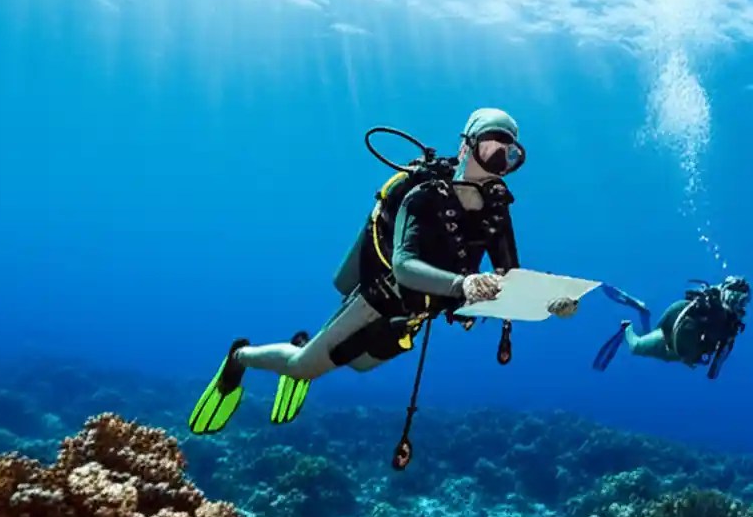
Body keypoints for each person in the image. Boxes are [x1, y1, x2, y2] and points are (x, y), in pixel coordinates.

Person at [189, 108, 578, 437]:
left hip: (414, 314)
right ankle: (239, 358)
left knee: (359, 365)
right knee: (302, 368)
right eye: (492, 147)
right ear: (466, 147)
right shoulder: (423, 196)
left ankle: (308, 343)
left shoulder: (497, 211)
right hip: (379, 297)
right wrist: (464, 284)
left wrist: (549, 303)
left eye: (510, 154)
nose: (499, 161)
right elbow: (404, 267)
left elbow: (510, 275)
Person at [592, 276, 750, 379]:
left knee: (650, 337)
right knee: (636, 347)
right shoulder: (719, 315)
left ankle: (643, 312)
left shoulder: (729, 325)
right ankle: (627, 327)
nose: (740, 304)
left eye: (744, 301)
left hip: (679, 344)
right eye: (740, 299)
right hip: (674, 341)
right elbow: (714, 371)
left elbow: (715, 368)